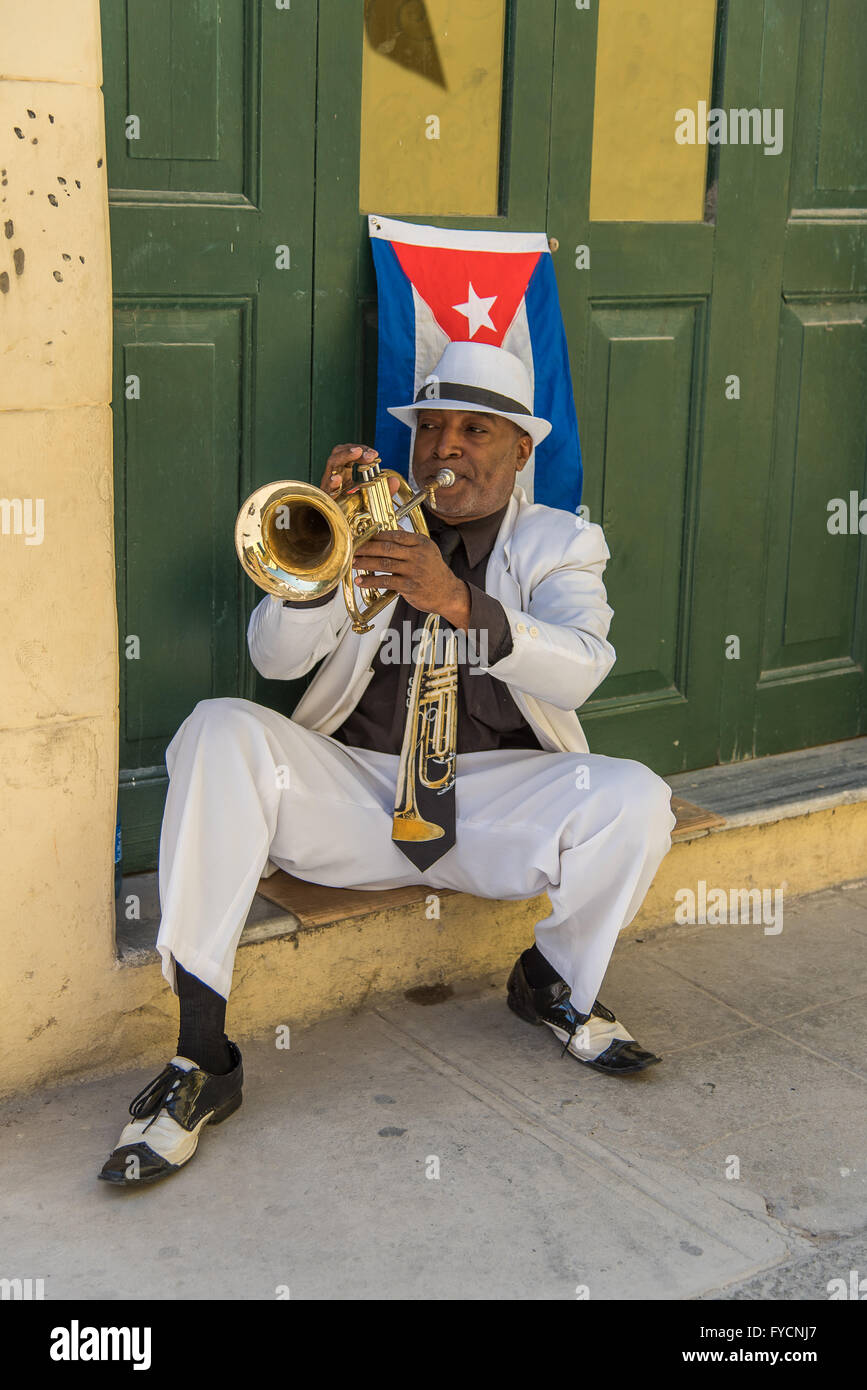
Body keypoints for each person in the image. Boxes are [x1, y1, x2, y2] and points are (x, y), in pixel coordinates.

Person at [99, 341, 676, 1186]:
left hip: (491, 800)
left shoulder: (561, 542)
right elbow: (275, 660)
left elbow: (583, 665)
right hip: (353, 787)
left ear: (520, 452)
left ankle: (547, 982)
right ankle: (201, 1058)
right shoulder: (367, 532)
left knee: (634, 797)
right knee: (218, 727)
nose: (446, 447)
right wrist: (327, 568)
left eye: (474, 431)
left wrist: (456, 600)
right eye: (432, 427)